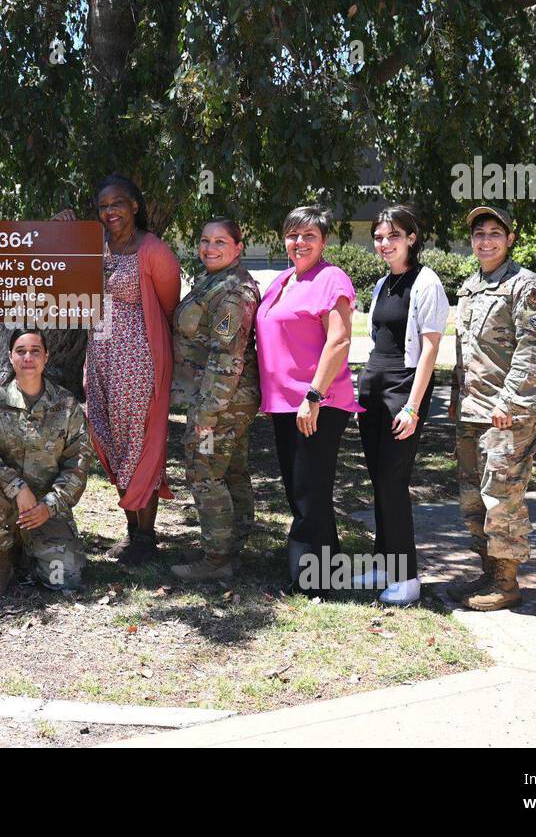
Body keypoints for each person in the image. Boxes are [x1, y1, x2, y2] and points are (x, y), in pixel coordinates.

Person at [447, 205, 536, 611]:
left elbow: (535, 350)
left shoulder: (527, 287)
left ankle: (507, 583)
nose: (485, 240)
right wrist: (459, 403)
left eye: (495, 232)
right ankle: (488, 573)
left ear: (510, 239)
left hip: (506, 415)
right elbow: (466, 354)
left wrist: (510, 402)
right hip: (473, 411)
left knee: (503, 498)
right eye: (479, 233)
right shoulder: (471, 286)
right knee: (473, 500)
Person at [254, 205, 362, 592]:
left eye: (309, 236)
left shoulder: (331, 279)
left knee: (308, 490)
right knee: (302, 488)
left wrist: (313, 395)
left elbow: (340, 339)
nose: (299, 242)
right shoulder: (282, 280)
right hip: (284, 404)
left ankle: (310, 579)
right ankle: (327, 571)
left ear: (324, 241)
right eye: (293, 234)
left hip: (317, 402)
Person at [355, 205, 450, 605]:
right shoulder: (383, 284)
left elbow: (430, 348)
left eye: (393, 235)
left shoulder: (426, 282)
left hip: (403, 387)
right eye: (379, 236)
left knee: (394, 482)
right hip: (374, 385)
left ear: (412, 237)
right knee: (379, 479)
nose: (384, 243)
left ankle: (408, 578)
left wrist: (412, 406)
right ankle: (383, 563)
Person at [84, 174, 180, 565]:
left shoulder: (152, 249)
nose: (111, 212)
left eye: (118, 204)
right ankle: (130, 530)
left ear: (135, 206)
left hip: (139, 362)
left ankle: (146, 537)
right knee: (109, 438)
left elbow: (169, 303)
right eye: (104, 206)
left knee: (141, 442)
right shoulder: (93, 247)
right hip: (100, 360)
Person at [0, 329, 91, 600]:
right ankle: (1, 562)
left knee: (63, 579)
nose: (28, 357)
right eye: (21, 351)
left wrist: (49, 506)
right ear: (10, 357)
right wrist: (17, 486)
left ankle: (26, 548)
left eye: (35, 351)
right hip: (5, 500)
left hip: (46, 508)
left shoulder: (66, 406)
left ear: (46, 357)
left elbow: (77, 466)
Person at [169, 219, 261, 582]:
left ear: (238, 247)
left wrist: (207, 414)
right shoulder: (213, 281)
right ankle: (233, 545)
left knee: (203, 470)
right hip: (226, 401)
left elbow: (227, 358)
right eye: (205, 241)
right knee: (230, 470)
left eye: (220, 241)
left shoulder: (234, 292)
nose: (210, 248)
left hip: (222, 402)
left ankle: (217, 558)